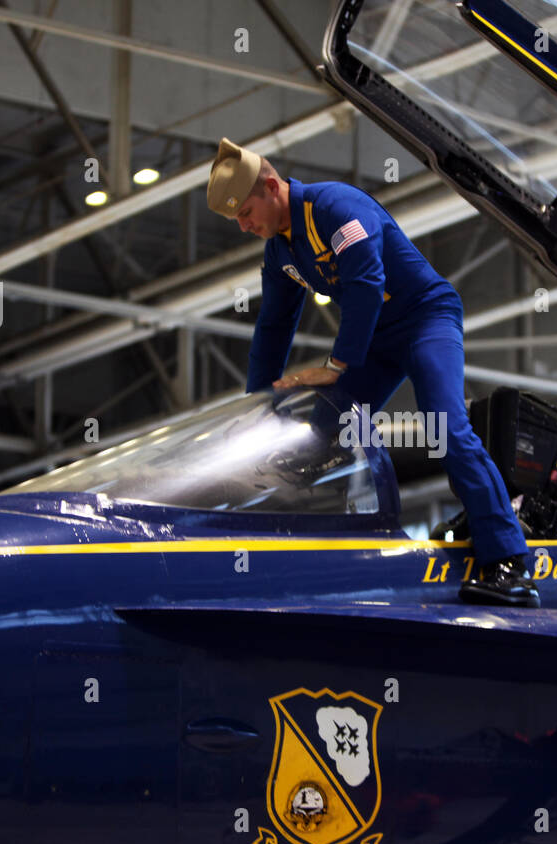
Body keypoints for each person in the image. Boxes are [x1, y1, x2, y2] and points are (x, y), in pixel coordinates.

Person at [206, 137, 538, 608]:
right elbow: (274, 326)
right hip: (376, 339)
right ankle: (314, 561)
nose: (243, 226)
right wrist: (256, 403)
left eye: (245, 212)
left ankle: (509, 561)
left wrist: (336, 365)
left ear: (272, 186)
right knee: (317, 435)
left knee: (444, 425)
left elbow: (366, 284)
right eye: (235, 219)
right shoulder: (279, 252)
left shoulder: (337, 207)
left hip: (425, 318)